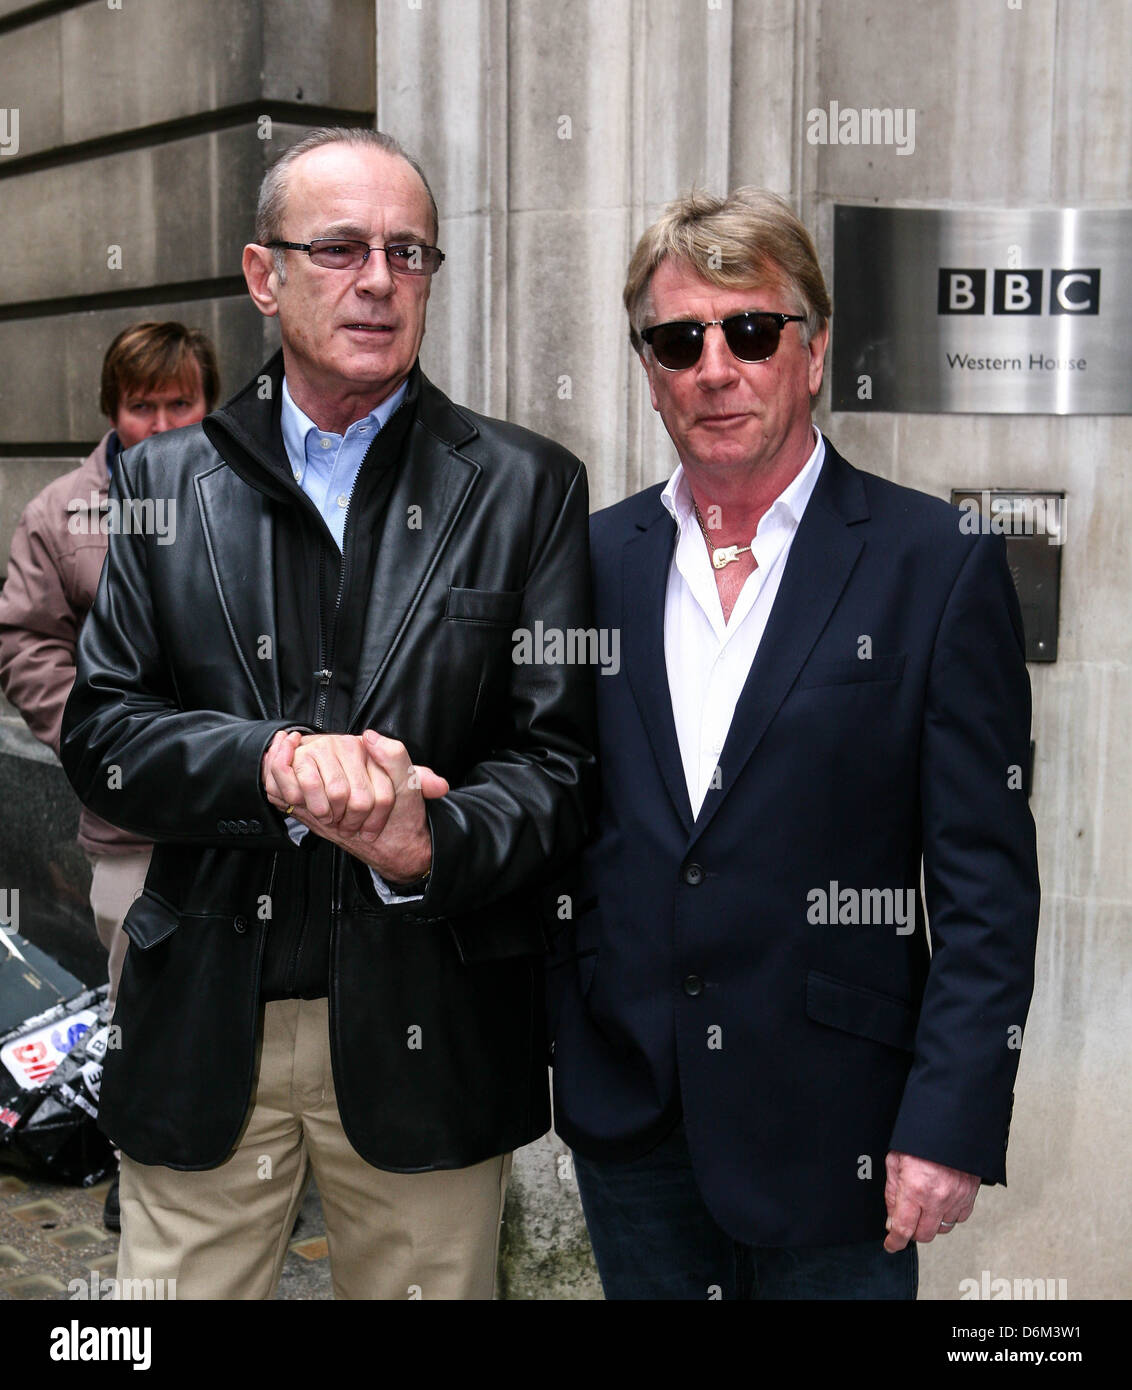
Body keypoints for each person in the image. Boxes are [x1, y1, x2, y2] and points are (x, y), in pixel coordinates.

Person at [60, 126, 595, 1300]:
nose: (379, 280)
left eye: (409, 253)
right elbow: (104, 737)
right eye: (342, 247)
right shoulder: (159, 483)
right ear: (265, 275)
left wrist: (428, 841)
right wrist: (274, 761)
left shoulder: (524, 486)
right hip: (207, 1016)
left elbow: (557, 765)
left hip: (430, 1027)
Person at [549, 188, 1040, 1300]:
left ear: (811, 353)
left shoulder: (936, 561)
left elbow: (985, 886)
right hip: (637, 1124)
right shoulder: (589, 559)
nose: (714, 366)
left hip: (846, 1136)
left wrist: (948, 1119)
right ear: (649, 367)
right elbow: (564, 816)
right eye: (679, 340)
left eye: (751, 330)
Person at [0, 321, 217, 1230]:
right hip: (130, 827)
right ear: (112, 411)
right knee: (143, 1003)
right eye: (143, 407)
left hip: (245, 811)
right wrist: (97, 743)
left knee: (246, 1009)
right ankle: (144, 1164)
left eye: (182, 403)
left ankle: (238, 1178)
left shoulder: (253, 488)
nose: (164, 425)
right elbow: (24, 640)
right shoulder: (60, 513)